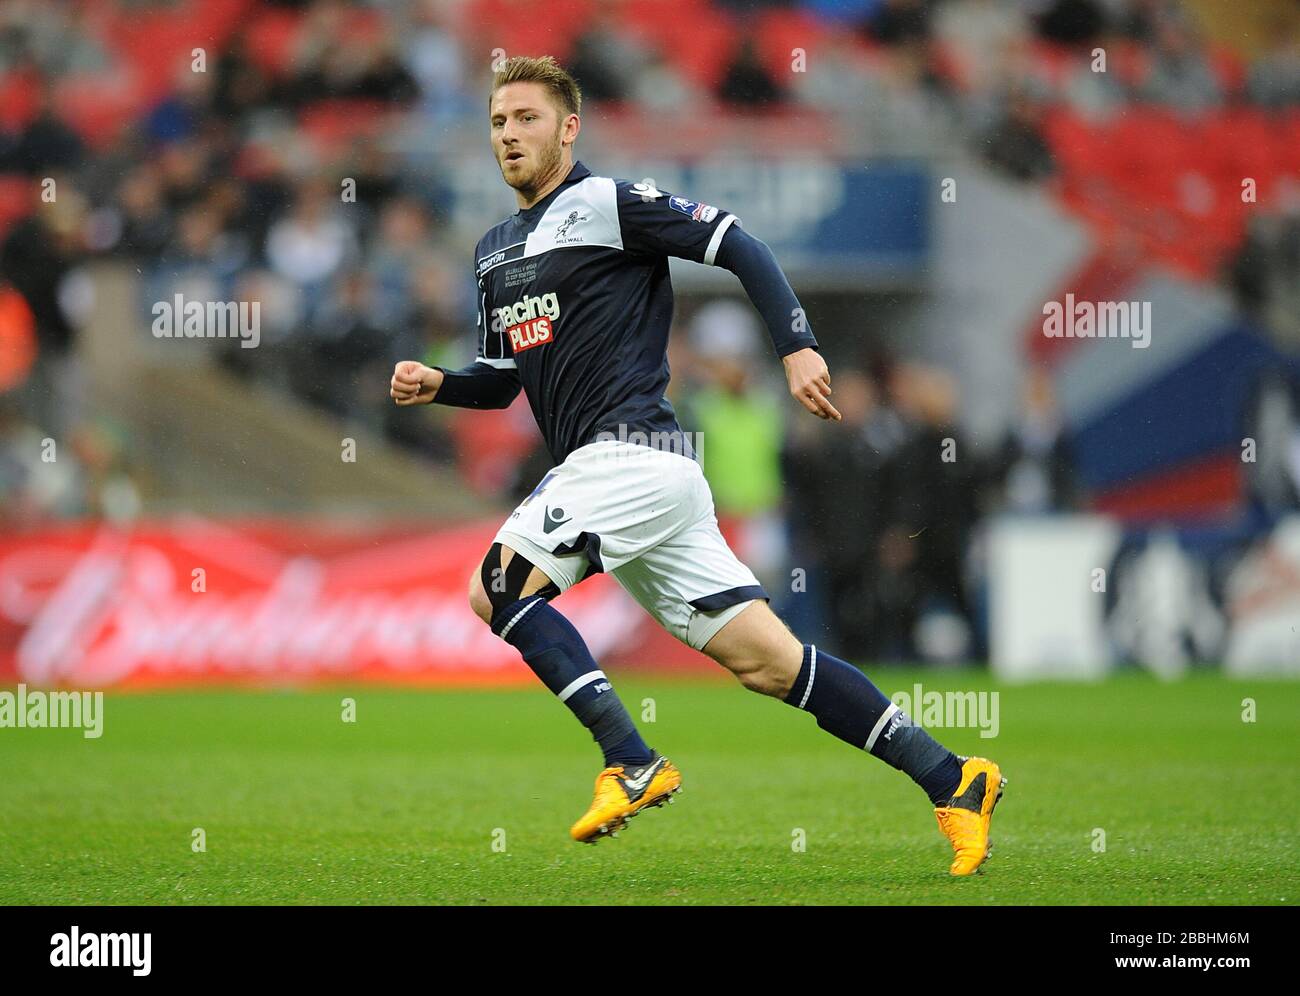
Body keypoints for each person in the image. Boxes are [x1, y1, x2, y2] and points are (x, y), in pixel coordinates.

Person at [390, 56, 1005, 874]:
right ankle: (954, 778)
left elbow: (737, 243)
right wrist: (441, 384)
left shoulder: (609, 203)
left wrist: (796, 348)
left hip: (630, 457)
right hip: (635, 478)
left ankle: (631, 760)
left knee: (496, 587)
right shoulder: (494, 252)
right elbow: (505, 382)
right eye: (499, 121)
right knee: (769, 663)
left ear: (568, 128)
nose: (509, 134)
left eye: (527, 118)